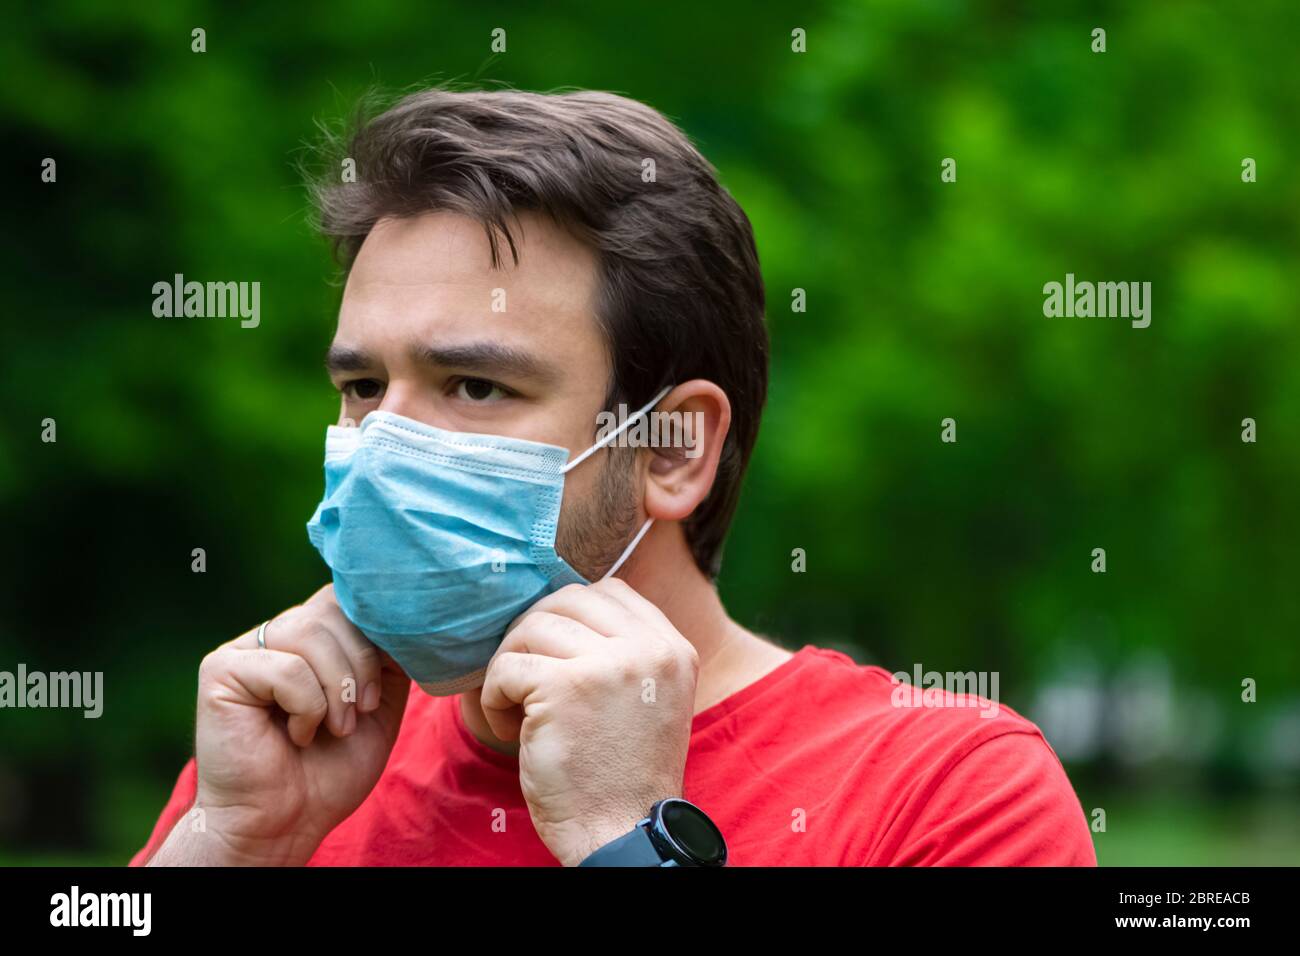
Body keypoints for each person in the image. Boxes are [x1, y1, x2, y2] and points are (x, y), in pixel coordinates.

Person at [131, 87, 1096, 867]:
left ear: (674, 445)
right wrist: (231, 843)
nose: (381, 445)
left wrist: (627, 843)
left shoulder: (946, 791)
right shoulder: (297, 762)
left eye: (474, 384)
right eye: (361, 385)